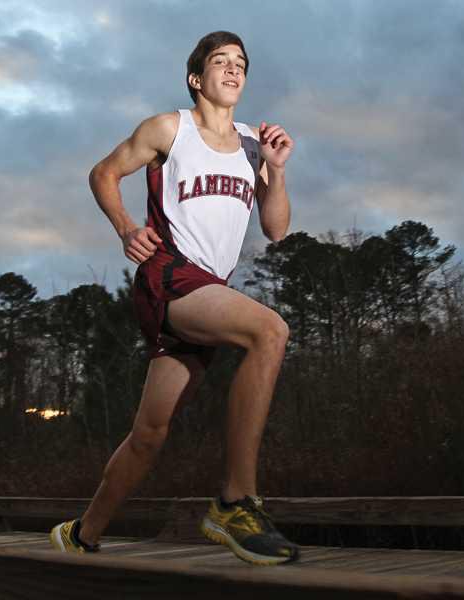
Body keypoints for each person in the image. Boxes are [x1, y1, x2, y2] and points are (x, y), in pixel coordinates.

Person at [49, 31, 298, 565]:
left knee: (150, 433)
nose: (233, 71)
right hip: (169, 276)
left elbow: (276, 230)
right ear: (196, 77)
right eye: (220, 62)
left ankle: (82, 533)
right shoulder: (170, 128)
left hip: (208, 291)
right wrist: (123, 227)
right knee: (270, 330)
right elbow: (104, 173)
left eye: (241, 64)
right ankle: (235, 501)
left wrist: (275, 172)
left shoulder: (255, 143)